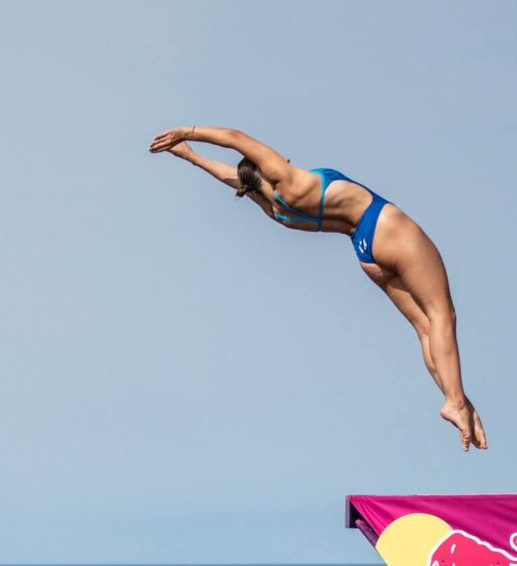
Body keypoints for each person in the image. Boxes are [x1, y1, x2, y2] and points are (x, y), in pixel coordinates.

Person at [150, 124, 484, 450]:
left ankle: (457, 402)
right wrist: (187, 132)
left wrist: (192, 157)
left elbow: (231, 176)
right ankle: (455, 401)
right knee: (442, 315)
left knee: (424, 328)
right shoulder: (290, 179)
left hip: (366, 251)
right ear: (268, 168)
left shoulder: (276, 209)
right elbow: (236, 139)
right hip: (387, 227)